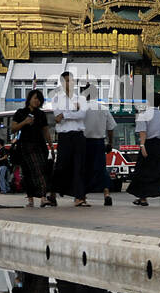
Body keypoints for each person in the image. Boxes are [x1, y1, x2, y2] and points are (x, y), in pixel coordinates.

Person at [50, 71, 88, 206]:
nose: (69, 83)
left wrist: (65, 115)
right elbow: (56, 116)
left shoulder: (81, 98)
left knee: (79, 166)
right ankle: (52, 193)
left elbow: (82, 114)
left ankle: (79, 197)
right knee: (61, 165)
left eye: (71, 80)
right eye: (66, 80)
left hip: (78, 135)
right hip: (64, 136)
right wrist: (73, 111)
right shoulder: (56, 98)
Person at [11, 89, 55, 207]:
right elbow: (13, 128)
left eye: (39, 99)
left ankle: (43, 197)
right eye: (35, 98)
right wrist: (25, 122)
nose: (37, 101)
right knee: (28, 172)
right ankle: (31, 199)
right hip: (25, 146)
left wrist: (50, 146)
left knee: (41, 169)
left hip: (40, 145)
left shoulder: (41, 114)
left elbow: (46, 131)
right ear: (29, 99)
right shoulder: (20, 112)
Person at [128, 96, 160, 207]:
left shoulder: (143, 115)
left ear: (148, 102)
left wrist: (142, 145)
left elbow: (142, 131)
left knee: (143, 171)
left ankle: (143, 198)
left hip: (147, 144)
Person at [82, 84, 115, 206]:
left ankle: (83, 196)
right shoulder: (103, 108)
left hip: (85, 143)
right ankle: (106, 194)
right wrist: (110, 142)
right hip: (99, 142)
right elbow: (111, 128)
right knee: (101, 169)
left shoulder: (81, 108)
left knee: (85, 169)